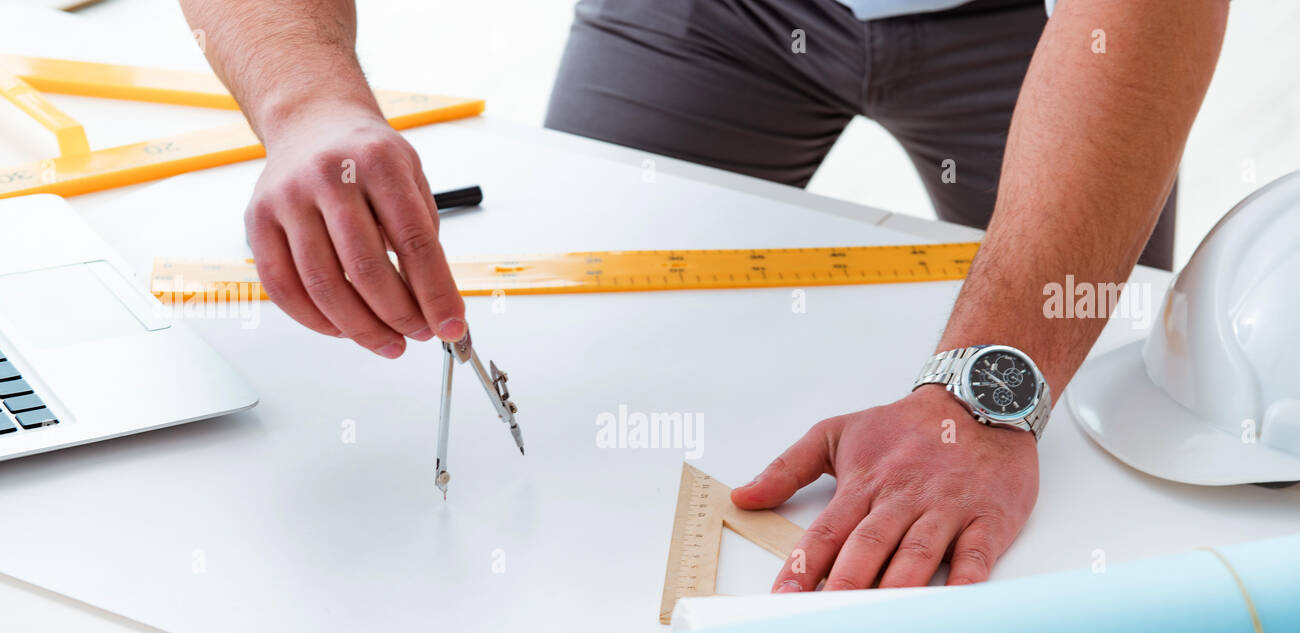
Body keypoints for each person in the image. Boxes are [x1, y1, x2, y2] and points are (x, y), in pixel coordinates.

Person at [180, 0, 1229, 590]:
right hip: (711, 15)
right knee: (575, 376)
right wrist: (307, 101)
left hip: (1046, 27)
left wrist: (981, 394)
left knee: (1105, 452)